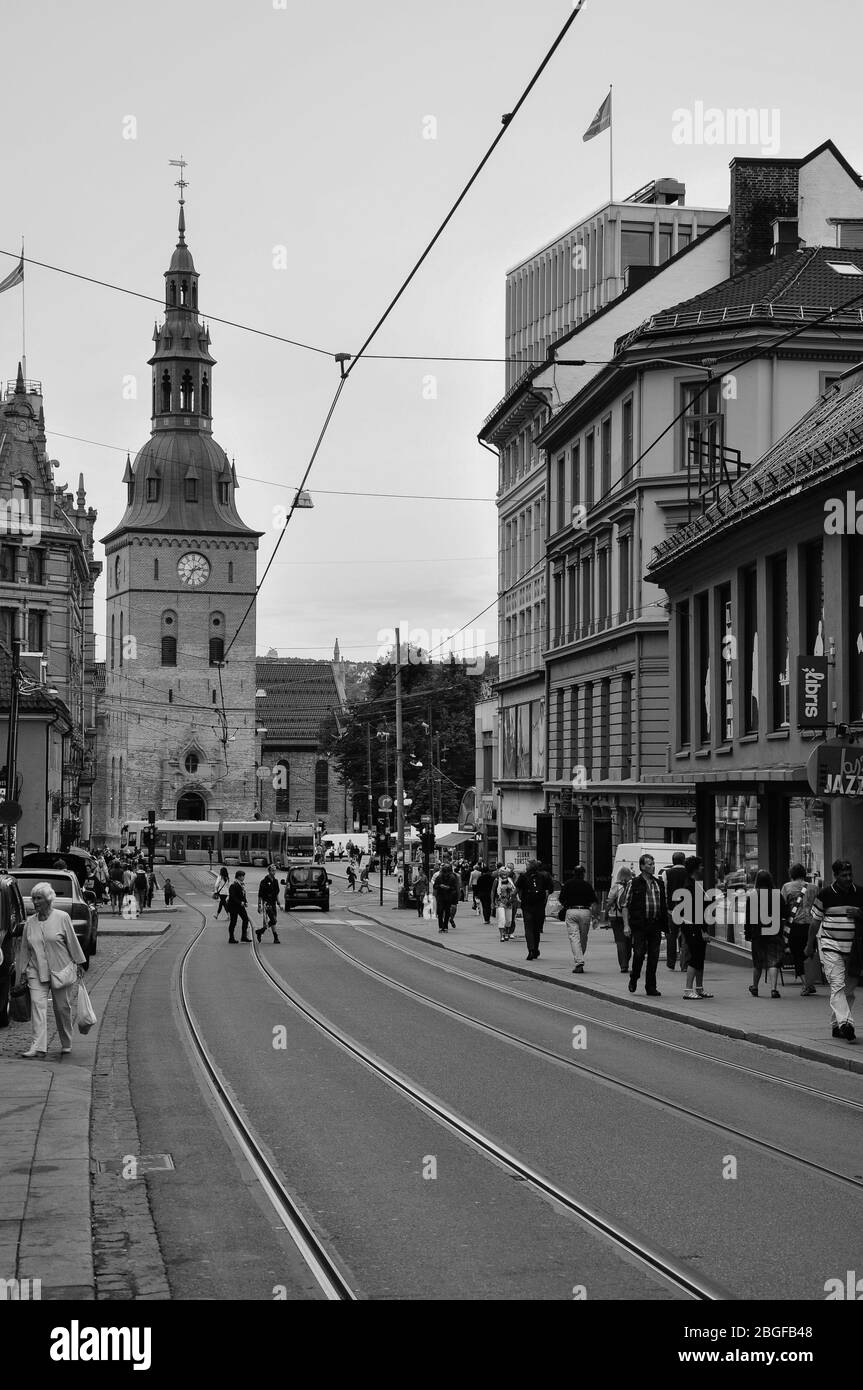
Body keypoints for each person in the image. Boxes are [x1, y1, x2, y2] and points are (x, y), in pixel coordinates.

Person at [15, 882, 87, 1059]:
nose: (35, 902)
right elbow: (24, 949)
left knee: (62, 1008)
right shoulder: (30, 923)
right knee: (37, 1007)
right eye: (34, 899)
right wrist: (21, 972)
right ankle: (38, 1046)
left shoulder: (62, 917)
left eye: (39, 898)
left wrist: (79, 963)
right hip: (36, 971)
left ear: (48, 900)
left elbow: (72, 941)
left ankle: (66, 1041)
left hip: (60, 970)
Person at [806, 858, 863, 1043]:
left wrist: (860, 914)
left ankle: (836, 1025)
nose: (848, 878)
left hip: (855, 950)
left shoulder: (860, 893)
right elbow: (815, 923)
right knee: (837, 985)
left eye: (850, 874)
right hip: (831, 946)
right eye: (844, 875)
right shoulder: (825, 894)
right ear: (835, 876)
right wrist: (809, 945)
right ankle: (846, 1024)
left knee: (849, 990)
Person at [622, 853, 667, 997]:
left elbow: (663, 906)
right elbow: (625, 905)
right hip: (639, 924)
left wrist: (665, 926)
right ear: (642, 866)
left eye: (653, 864)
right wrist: (626, 925)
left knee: (653, 956)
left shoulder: (659, 883)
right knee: (639, 954)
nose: (653, 866)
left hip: (655, 924)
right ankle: (634, 977)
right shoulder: (634, 883)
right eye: (650, 864)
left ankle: (651, 987)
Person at [745, 869, 788, 998]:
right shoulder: (777, 895)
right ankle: (774, 989)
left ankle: (755, 987)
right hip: (774, 932)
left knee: (758, 962)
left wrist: (748, 933)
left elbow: (748, 917)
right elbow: (784, 913)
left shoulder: (752, 896)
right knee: (773, 961)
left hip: (758, 933)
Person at [677, 855, 713, 1000]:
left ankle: (699, 988)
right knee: (695, 958)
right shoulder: (691, 886)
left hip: (694, 926)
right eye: (701, 865)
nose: (703, 868)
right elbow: (695, 911)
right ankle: (688, 989)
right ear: (695, 868)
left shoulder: (694, 884)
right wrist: (703, 930)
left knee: (700, 958)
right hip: (693, 927)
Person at [781, 863, 819, 997]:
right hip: (811, 925)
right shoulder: (814, 887)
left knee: (797, 955)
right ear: (804, 873)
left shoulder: (787, 887)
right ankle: (811, 982)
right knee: (809, 954)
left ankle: (806, 985)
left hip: (794, 925)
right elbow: (818, 906)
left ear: (791, 874)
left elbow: (783, 906)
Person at [560, 866, 598, 973]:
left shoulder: (567, 884)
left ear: (574, 873)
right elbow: (594, 902)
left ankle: (579, 961)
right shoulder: (587, 885)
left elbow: (561, 899)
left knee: (574, 937)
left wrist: (567, 904)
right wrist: (595, 917)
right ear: (583, 874)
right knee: (583, 938)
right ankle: (579, 959)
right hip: (585, 912)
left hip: (571, 911)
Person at [518, 860, 553, 961]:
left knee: (528, 928)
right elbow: (549, 890)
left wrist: (518, 899)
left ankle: (530, 949)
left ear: (529, 867)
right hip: (539, 906)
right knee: (536, 929)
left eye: (527, 865)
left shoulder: (523, 876)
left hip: (527, 906)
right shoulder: (544, 876)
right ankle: (536, 949)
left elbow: (517, 889)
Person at [663, 851, 688, 970]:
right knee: (685, 936)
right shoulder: (688, 872)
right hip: (686, 910)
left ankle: (671, 963)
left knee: (671, 937)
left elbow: (664, 891)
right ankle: (684, 964)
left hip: (671, 910)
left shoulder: (667, 873)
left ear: (673, 861)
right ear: (684, 860)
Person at [606, 866, 633, 973]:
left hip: (616, 916)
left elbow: (609, 901)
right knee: (629, 941)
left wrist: (605, 913)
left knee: (620, 941)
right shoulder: (632, 886)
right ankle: (626, 959)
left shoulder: (616, 887)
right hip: (629, 917)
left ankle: (623, 965)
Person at [492, 867, 519, 943]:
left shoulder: (510, 880)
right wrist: (492, 902)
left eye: (506, 873)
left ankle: (506, 933)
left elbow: (514, 890)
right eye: (503, 873)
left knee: (509, 920)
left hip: (509, 902)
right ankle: (501, 935)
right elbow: (493, 891)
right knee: (502, 919)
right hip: (500, 901)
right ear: (500, 873)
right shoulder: (497, 881)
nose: (504, 874)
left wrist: (516, 898)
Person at [256, 866, 281, 944]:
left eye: (275, 871)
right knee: (273, 920)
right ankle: (275, 936)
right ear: (269, 871)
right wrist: (259, 905)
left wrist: (278, 902)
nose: (274, 872)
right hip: (267, 903)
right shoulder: (264, 881)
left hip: (273, 902)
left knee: (274, 921)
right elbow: (260, 894)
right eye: (273, 871)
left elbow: (276, 892)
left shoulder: (276, 881)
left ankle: (261, 931)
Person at [433, 863, 459, 933]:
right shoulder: (439, 877)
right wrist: (440, 886)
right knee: (441, 912)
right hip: (442, 897)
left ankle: (444, 927)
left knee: (446, 912)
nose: (445, 874)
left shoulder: (452, 877)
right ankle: (442, 927)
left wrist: (448, 887)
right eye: (444, 872)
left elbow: (454, 888)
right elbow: (435, 886)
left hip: (447, 897)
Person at [227, 871, 252, 943]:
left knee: (245, 919)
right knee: (233, 922)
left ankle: (243, 936)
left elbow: (243, 894)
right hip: (233, 906)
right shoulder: (233, 885)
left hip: (240, 906)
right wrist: (240, 902)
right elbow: (233, 896)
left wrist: (245, 901)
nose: (244, 877)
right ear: (239, 877)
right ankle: (231, 938)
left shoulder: (241, 884)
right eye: (243, 876)